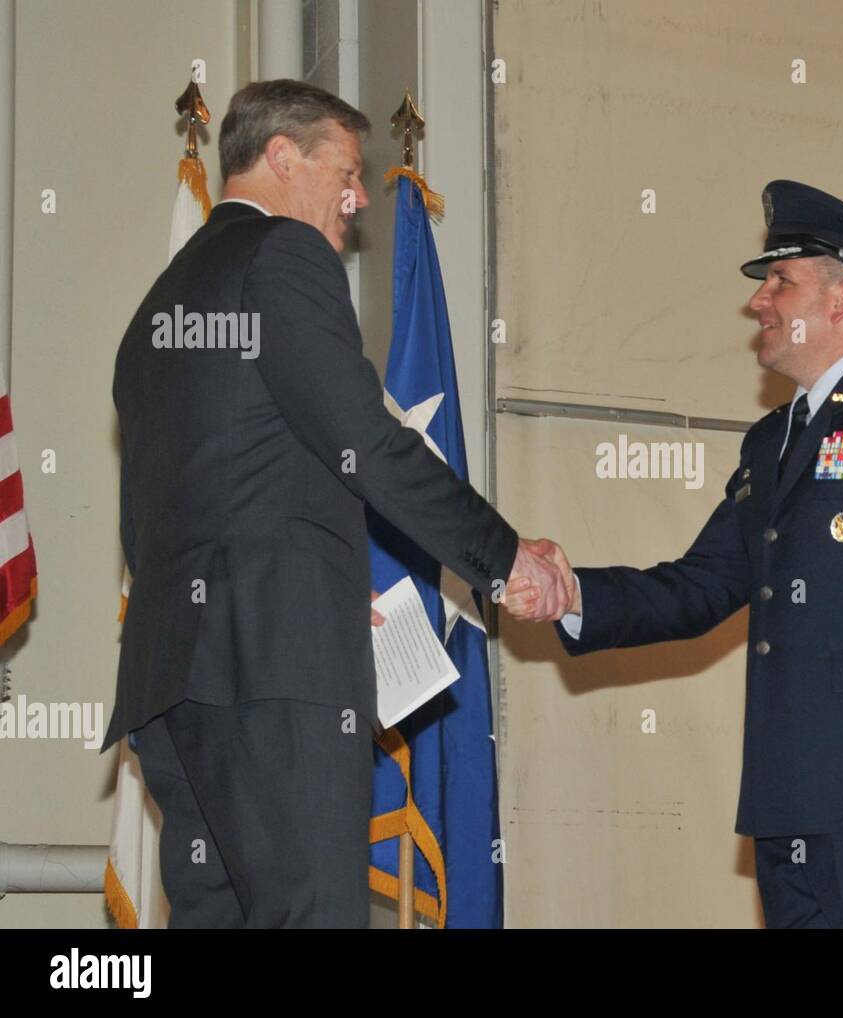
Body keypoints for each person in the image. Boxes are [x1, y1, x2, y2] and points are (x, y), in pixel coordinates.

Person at [104, 79, 571, 928]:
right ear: (282, 157)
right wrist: (505, 562)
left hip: (173, 687)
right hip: (275, 676)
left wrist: (313, 580)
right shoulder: (283, 257)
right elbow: (370, 443)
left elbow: (161, 520)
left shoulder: (154, 314)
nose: (359, 199)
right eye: (346, 171)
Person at [506, 180, 843, 928]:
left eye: (781, 280)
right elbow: (703, 585)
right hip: (789, 807)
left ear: (842, 300)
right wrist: (572, 591)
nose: (759, 302)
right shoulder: (772, 441)